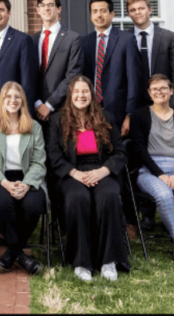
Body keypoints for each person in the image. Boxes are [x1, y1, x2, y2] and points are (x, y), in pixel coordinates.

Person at [47, 76, 128, 282]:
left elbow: (119, 153)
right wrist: (75, 173)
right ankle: (81, 262)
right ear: (70, 95)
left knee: (108, 196)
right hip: (72, 173)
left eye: (85, 92)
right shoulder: (58, 120)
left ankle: (108, 261)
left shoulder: (106, 117)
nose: (81, 96)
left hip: (101, 170)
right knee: (78, 199)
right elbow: (53, 155)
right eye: (77, 92)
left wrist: (103, 171)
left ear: (91, 95)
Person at [129, 74, 174, 273]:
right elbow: (139, 150)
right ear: (149, 93)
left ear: (171, 91)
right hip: (150, 170)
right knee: (164, 196)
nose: (159, 92)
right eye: (155, 89)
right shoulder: (139, 116)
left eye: (163, 88)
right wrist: (160, 174)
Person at [0, 81, 47, 275]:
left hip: (28, 178)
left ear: (23, 101)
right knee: (3, 202)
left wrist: (25, 185)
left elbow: (38, 162)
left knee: (33, 205)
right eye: (8, 96)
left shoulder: (34, 127)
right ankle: (22, 256)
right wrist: (6, 184)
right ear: (2, 100)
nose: (13, 100)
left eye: (17, 97)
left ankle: (11, 253)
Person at [78, 0, 137, 135]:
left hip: (118, 113)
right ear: (91, 16)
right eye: (95, 11)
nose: (99, 15)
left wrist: (129, 115)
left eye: (103, 11)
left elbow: (133, 80)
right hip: (89, 111)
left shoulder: (126, 40)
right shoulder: (84, 41)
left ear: (112, 14)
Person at [30, 0, 83, 123]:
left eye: (51, 5)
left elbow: (73, 75)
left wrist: (49, 105)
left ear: (58, 9)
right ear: (38, 10)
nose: (46, 9)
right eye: (42, 6)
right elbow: (28, 75)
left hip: (61, 110)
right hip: (34, 110)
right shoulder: (31, 40)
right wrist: (37, 104)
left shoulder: (72, 38)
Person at [126, 0, 174, 110]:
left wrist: (173, 108)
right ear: (129, 14)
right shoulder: (124, 39)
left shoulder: (169, 38)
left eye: (141, 8)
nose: (137, 12)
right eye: (133, 10)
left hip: (163, 103)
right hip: (134, 106)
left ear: (150, 10)